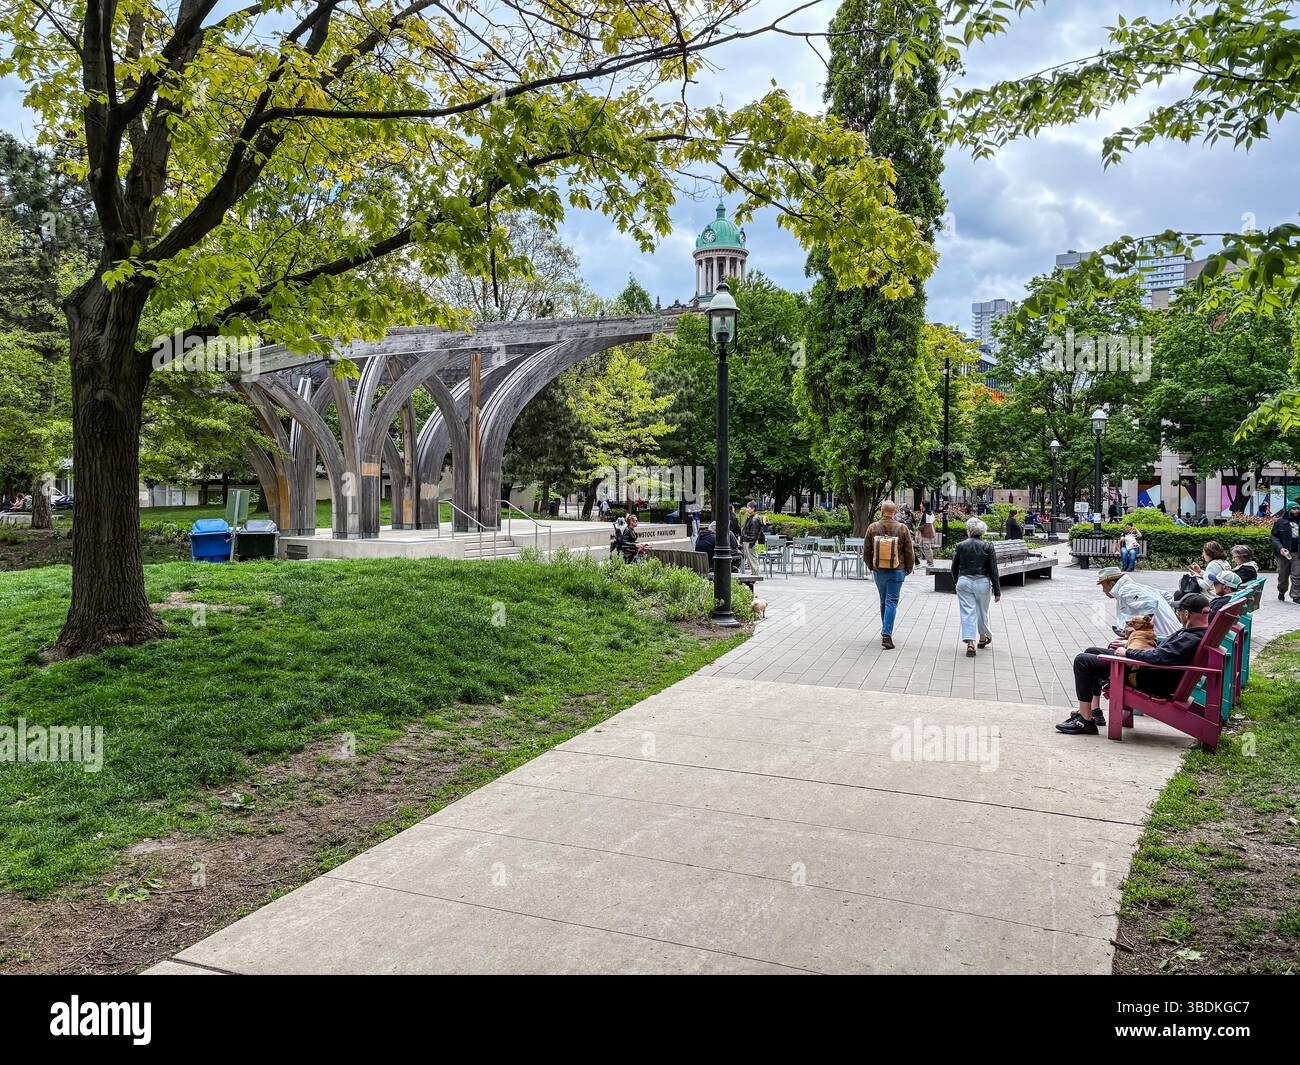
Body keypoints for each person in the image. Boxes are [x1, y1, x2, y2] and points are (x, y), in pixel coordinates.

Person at [1058, 593, 1213, 735]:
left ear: (1187, 614)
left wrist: (1128, 653)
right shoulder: (1195, 633)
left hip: (1144, 676)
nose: (1178, 614)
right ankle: (1094, 711)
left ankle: (1085, 721)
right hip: (1149, 670)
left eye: (1179, 611)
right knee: (1091, 651)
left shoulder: (1189, 638)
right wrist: (1132, 642)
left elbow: (1159, 656)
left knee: (1082, 661)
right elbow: (1163, 653)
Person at [864, 500, 915, 650]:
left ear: (881, 511)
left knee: (883, 601)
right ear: (895, 512)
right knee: (891, 601)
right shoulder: (902, 528)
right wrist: (909, 568)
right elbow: (909, 552)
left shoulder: (873, 527)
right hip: (897, 570)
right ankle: (887, 634)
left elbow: (866, 550)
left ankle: (885, 630)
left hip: (879, 570)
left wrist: (871, 565)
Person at [952, 516, 1001, 657]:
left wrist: (957, 582)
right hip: (982, 583)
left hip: (964, 581)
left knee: (967, 612)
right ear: (982, 531)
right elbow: (993, 569)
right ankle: (982, 637)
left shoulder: (960, 546)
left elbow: (954, 568)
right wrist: (997, 590)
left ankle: (970, 644)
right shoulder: (988, 546)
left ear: (969, 531)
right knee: (982, 611)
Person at [1095, 566, 1180, 638]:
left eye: (1104, 586)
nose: (1103, 590)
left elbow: (1150, 605)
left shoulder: (1125, 589)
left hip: (1163, 638)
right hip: (1173, 635)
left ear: (1112, 584)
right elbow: (1167, 597)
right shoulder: (1140, 587)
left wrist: (1135, 628)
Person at [1270, 504, 1300, 602]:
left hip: (1297, 553)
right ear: (1288, 510)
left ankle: (1296, 596)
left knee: (1297, 575)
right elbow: (1273, 537)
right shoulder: (1280, 522)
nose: (1297, 511)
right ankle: (1282, 591)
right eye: (1294, 509)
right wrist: (1280, 548)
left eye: (1298, 509)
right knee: (1283, 575)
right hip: (1284, 553)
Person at [739, 501, 762, 574]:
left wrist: (751, 543)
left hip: (750, 542)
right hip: (749, 541)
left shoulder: (754, 519)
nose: (747, 509)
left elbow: (754, 534)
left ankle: (755, 575)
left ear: (753, 509)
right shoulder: (752, 517)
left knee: (752, 559)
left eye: (748, 508)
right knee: (751, 560)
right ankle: (754, 574)